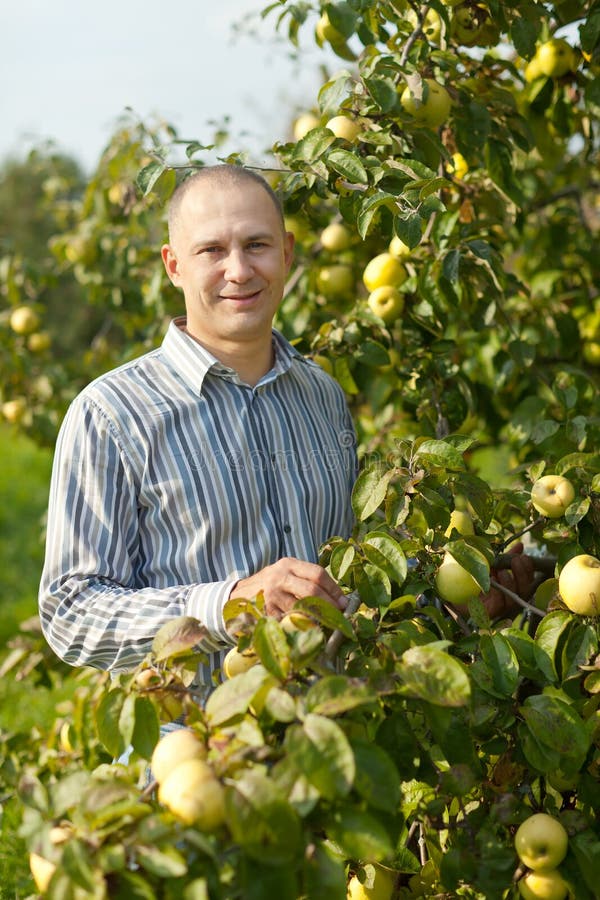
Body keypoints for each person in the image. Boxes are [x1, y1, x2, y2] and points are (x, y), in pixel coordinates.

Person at [38, 165, 358, 687]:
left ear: (288, 253)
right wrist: (225, 604)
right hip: (194, 753)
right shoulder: (112, 413)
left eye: (257, 244)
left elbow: (344, 571)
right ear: (174, 266)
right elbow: (71, 616)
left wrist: (455, 595)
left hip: (331, 737)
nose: (239, 270)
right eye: (211, 250)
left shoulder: (321, 395)